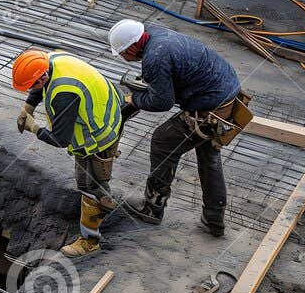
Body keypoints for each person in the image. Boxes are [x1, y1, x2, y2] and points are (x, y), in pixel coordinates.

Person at [107, 19, 250, 238]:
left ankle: (153, 207)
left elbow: (162, 102)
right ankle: (214, 220)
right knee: (208, 155)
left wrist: (133, 99)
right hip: (226, 90)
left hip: (211, 106)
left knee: (163, 141)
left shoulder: (155, 57)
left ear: (133, 46)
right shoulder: (154, 33)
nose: (124, 59)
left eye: (123, 54)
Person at [12, 48, 124, 258]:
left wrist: (34, 127)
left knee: (88, 186)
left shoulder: (63, 94)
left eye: (30, 86)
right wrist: (28, 106)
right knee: (88, 183)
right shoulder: (53, 58)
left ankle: (90, 239)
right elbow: (38, 83)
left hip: (98, 135)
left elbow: (60, 139)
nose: (30, 89)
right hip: (108, 108)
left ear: (42, 76)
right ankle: (102, 201)